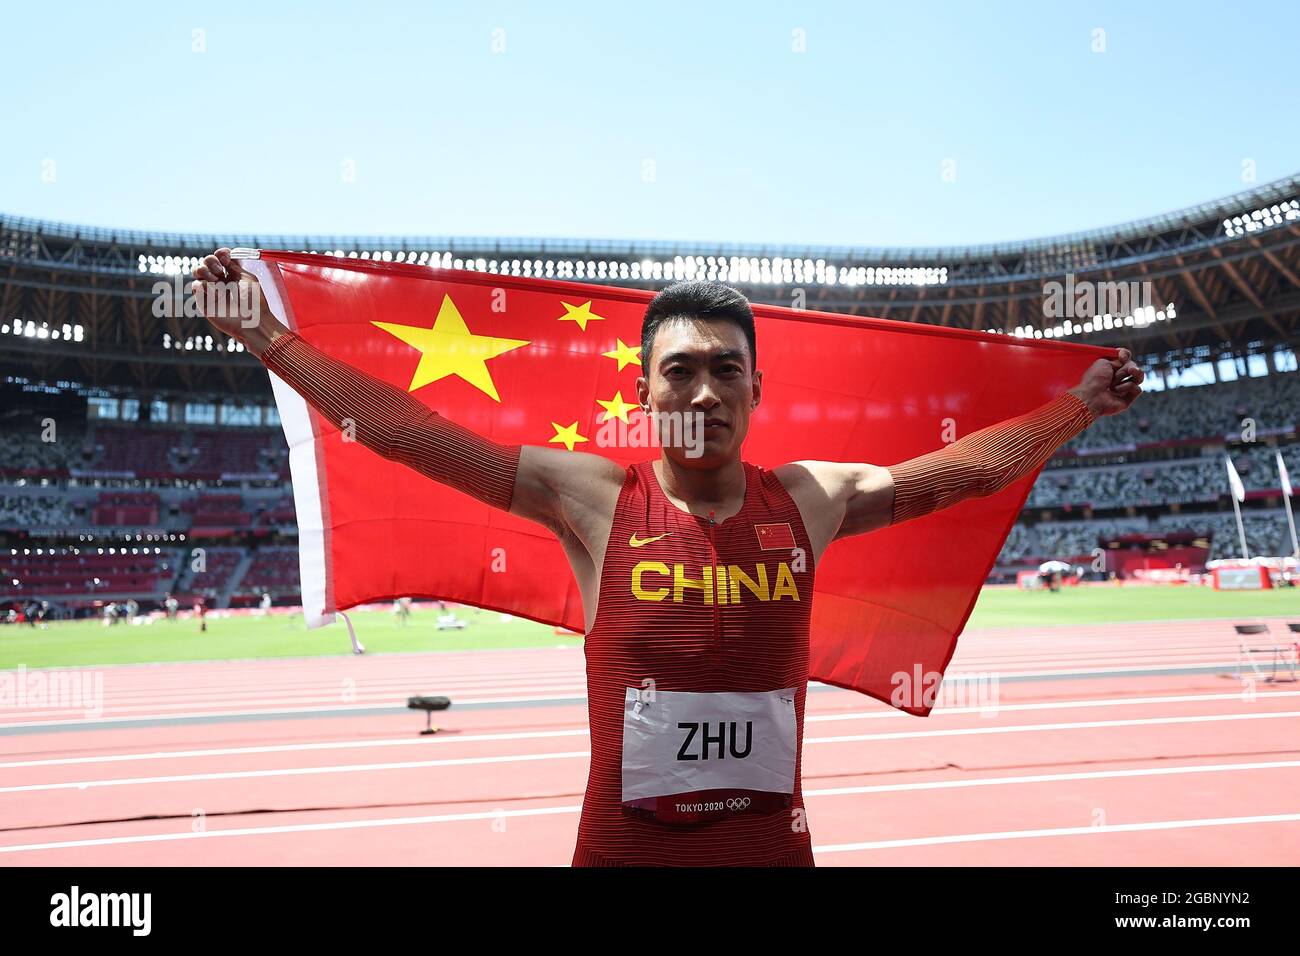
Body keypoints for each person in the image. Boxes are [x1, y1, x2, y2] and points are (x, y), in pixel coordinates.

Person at [193, 248, 1142, 866]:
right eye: (678, 369)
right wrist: (268, 338)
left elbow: (956, 475)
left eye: (726, 368)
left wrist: (1076, 408)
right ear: (644, 393)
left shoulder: (810, 503)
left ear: (757, 388)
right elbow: (409, 433)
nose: (704, 388)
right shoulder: (592, 499)